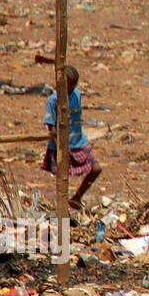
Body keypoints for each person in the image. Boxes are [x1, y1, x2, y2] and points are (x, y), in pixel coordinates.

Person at [41, 64, 102, 209]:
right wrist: (59, 146)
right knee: (63, 179)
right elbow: (51, 126)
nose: (73, 87)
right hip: (62, 144)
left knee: (96, 169)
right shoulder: (54, 100)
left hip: (79, 141)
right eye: (70, 84)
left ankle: (77, 198)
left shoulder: (77, 94)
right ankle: (62, 207)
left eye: (75, 84)